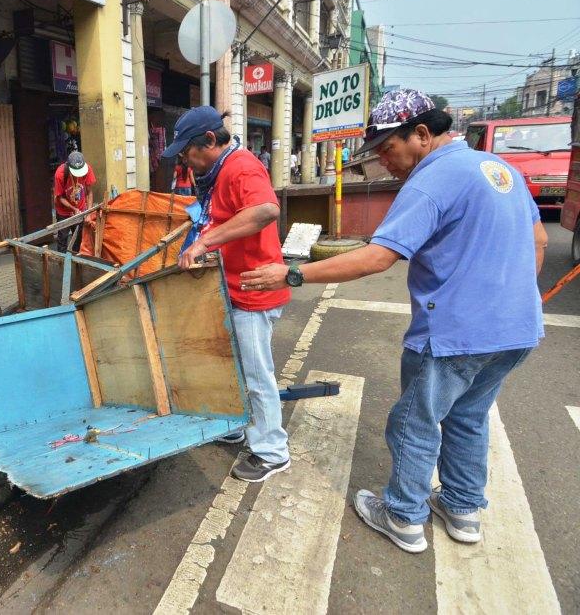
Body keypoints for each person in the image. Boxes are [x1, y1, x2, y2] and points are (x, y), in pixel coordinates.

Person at [240, 89, 545, 553]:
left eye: (388, 150)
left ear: (422, 134)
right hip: (516, 330)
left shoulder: (431, 180)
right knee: (468, 416)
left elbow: (377, 257)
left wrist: (293, 273)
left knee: (415, 421)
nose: (386, 164)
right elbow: (538, 240)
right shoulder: (500, 170)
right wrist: (510, 300)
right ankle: (463, 509)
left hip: (452, 334)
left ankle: (402, 515)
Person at [169, 106, 292, 483]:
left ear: (209, 141)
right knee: (236, 368)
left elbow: (266, 209)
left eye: (188, 153)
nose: (188, 163)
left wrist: (204, 243)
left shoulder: (241, 166)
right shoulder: (219, 172)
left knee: (257, 376)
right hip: (234, 287)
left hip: (253, 290)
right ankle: (239, 426)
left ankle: (272, 451)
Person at [53, 151, 96, 252]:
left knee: (80, 239)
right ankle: (62, 263)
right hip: (63, 212)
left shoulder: (87, 169)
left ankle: (75, 261)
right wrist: (73, 208)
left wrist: (88, 213)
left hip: (80, 210)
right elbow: (59, 197)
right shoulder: (60, 174)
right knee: (63, 239)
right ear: (68, 166)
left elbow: (89, 192)